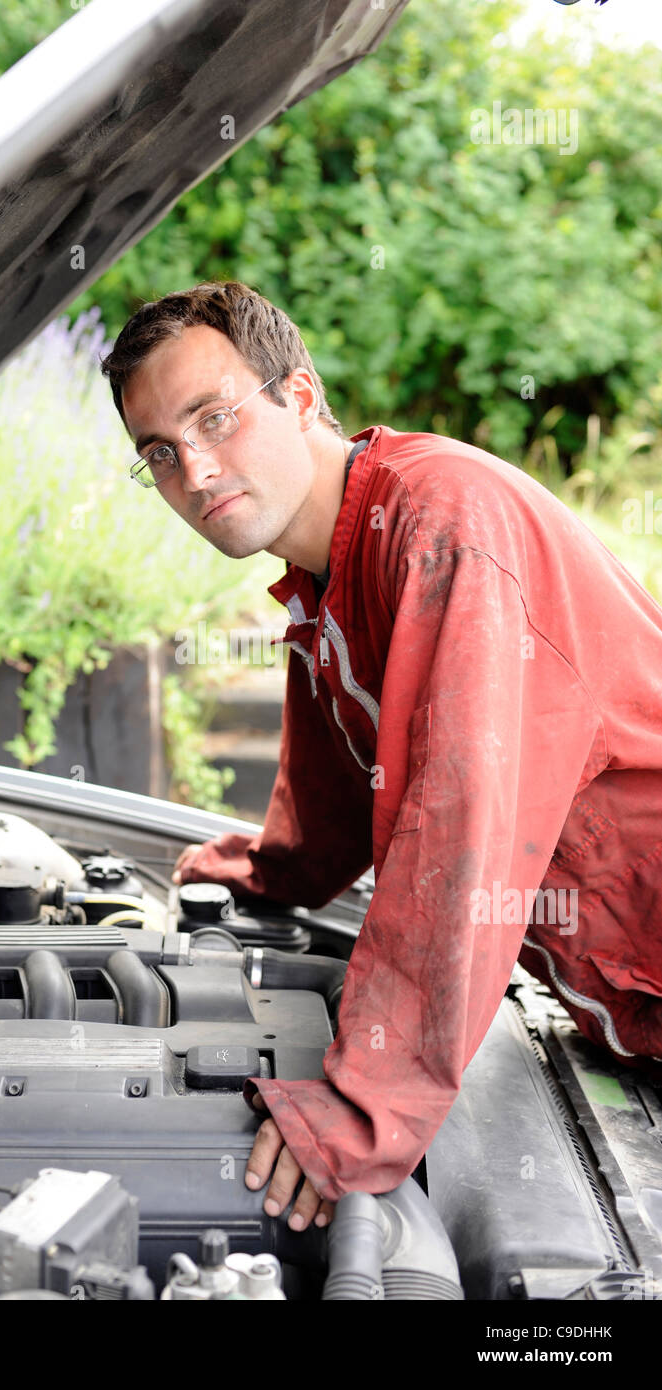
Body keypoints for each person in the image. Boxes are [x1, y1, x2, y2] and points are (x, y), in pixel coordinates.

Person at [99, 280, 662, 1236]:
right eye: (158, 450)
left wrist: (362, 1111)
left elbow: (461, 827)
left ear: (302, 394)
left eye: (215, 417)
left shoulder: (444, 526)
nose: (191, 470)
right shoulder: (323, 580)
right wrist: (257, 879)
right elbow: (332, 791)